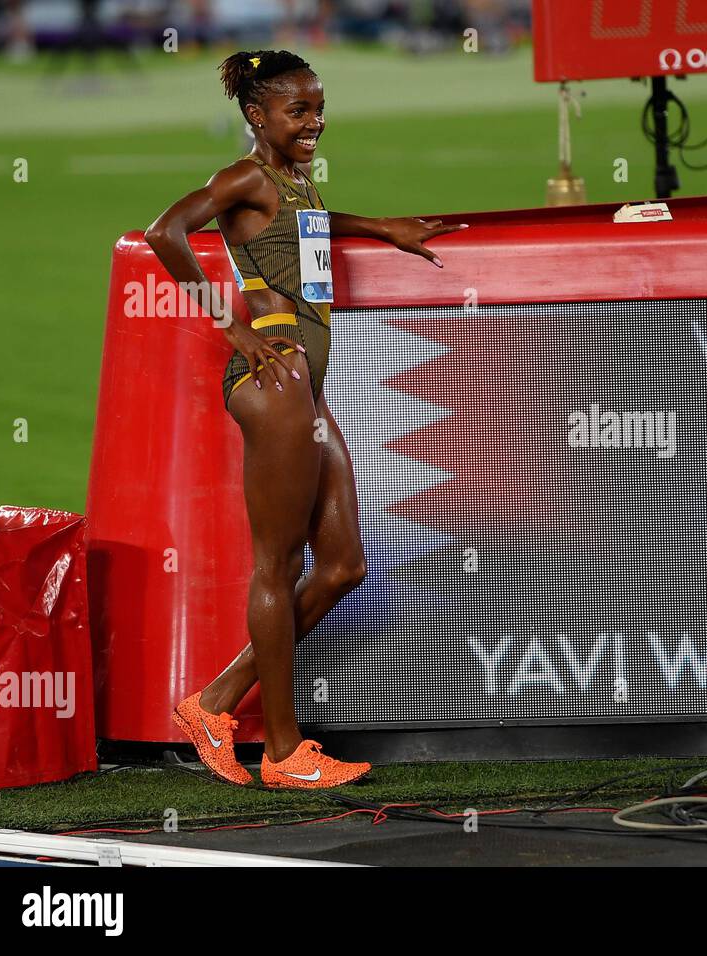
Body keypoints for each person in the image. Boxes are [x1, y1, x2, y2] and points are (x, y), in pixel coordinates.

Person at [145, 49, 466, 788]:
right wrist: (233, 327)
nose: (315, 121)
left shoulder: (293, 181)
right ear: (258, 116)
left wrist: (380, 226)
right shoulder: (247, 177)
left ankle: (216, 701)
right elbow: (165, 231)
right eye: (299, 111)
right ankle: (285, 753)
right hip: (275, 379)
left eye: (320, 107)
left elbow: (306, 235)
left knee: (345, 562)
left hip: (305, 389)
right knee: (279, 564)